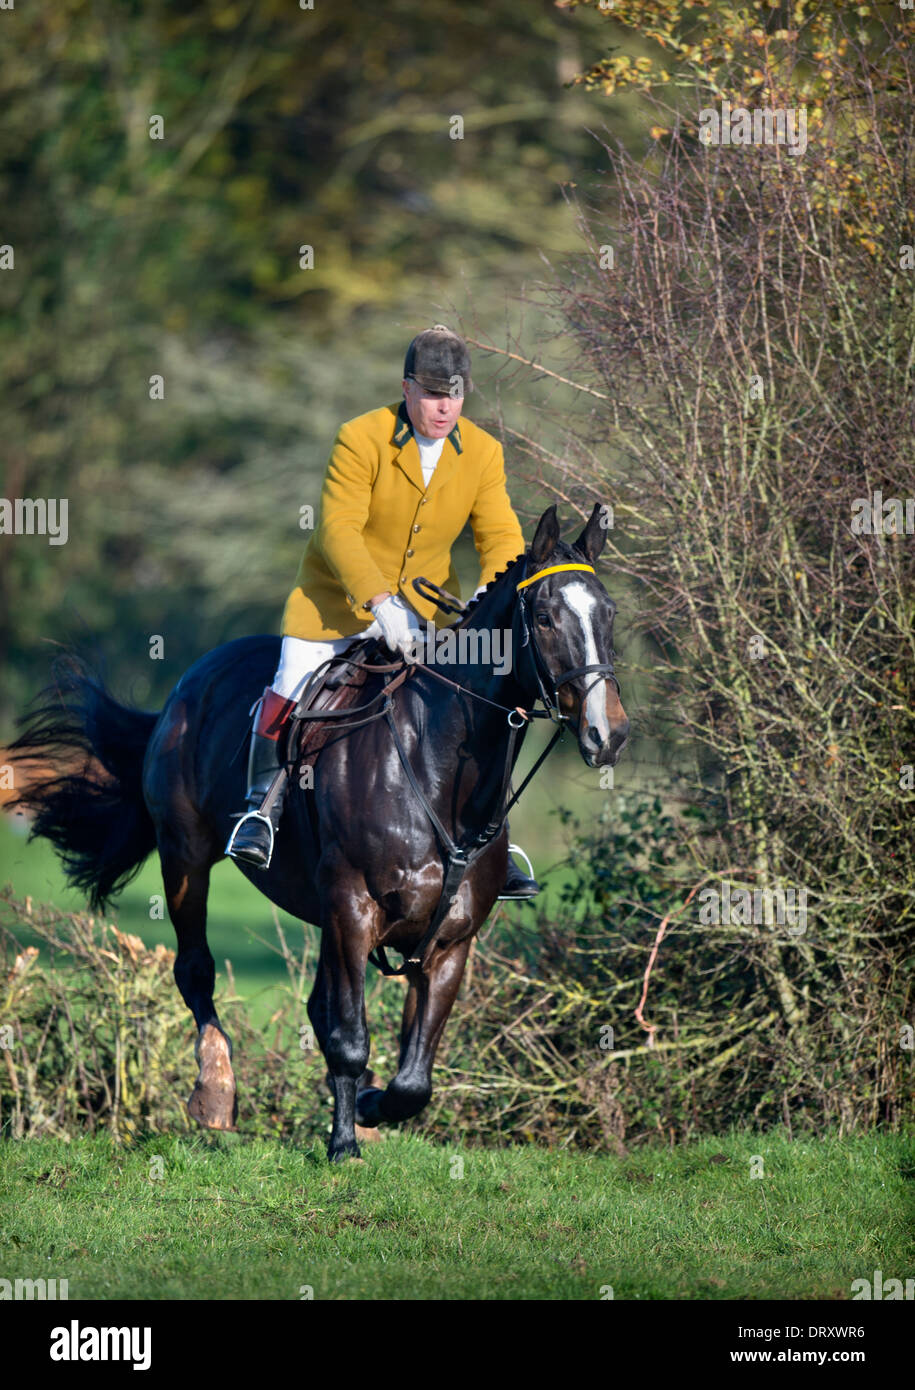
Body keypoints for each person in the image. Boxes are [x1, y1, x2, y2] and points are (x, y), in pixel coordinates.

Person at [225, 324, 540, 898]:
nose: (444, 407)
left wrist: (489, 599)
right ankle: (260, 811)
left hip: (429, 618)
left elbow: (500, 538)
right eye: (432, 393)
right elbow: (338, 530)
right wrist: (377, 601)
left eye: (455, 394)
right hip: (337, 606)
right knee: (292, 679)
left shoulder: (484, 454)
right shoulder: (360, 438)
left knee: (488, 699)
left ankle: (495, 834)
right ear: (406, 388)